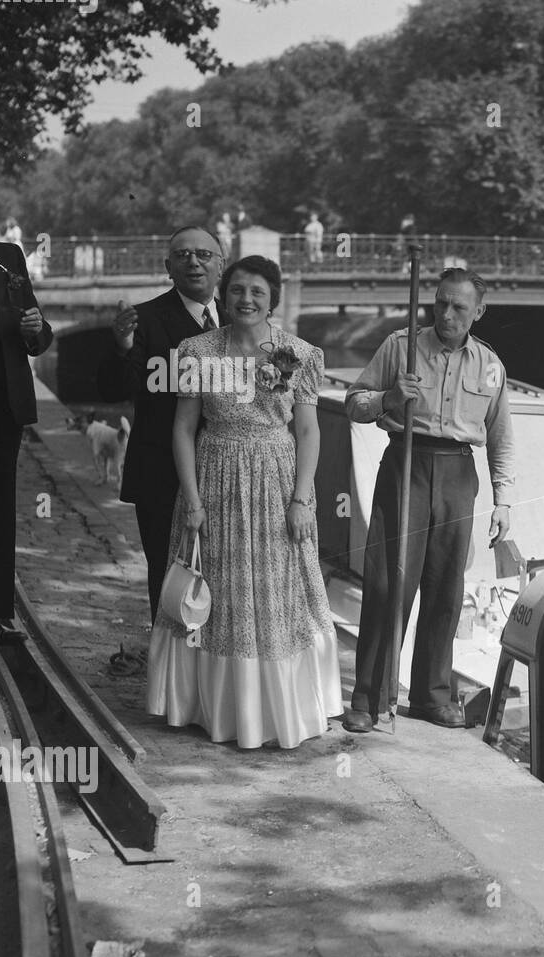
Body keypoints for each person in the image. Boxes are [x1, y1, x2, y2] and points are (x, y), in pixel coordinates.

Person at [147, 255, 340, 749]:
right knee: (218, 589)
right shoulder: (196, 350)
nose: (246, 299)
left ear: (272, 298)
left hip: (276, 481)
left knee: (278, 592)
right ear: (222, 295)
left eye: (256, 291)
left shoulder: (300, 353)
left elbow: (307, 430)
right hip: (213, 477)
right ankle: (207, 708)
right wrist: (191, 502)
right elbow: (184, 428)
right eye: (236, 290)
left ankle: (273, 714)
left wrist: (302, 498)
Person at [343, 268, 514, 732]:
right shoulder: (400, 346)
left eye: (459, 307)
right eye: (440, 303)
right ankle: (369, 698)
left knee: (446, 589)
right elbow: (353, 403)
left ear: (478, 312)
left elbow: (500, 437)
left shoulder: (491, 365)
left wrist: (503, 498)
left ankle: (431, 696)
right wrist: (391, 397)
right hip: (406, 465)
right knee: (387, 583)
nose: (446, 314)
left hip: (459, 472)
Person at [98, 225, 225, 620]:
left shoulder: (242, 320)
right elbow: (115, 390)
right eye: (183, 255)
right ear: (168, 267)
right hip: (162, 475)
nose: (194, 262)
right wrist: (121, 348)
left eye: (204, 255)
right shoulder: (146, 319)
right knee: (170, 580)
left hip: (230, 471)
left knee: (227, 578)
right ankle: (169, 674)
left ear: (222, 265)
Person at [0, 237, 54, 644]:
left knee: (1, 504)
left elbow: (36, 330)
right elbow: (9, 318)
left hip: (5, 404)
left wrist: (36, 331)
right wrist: (10, 319)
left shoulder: (10, 255)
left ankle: (0, 611)